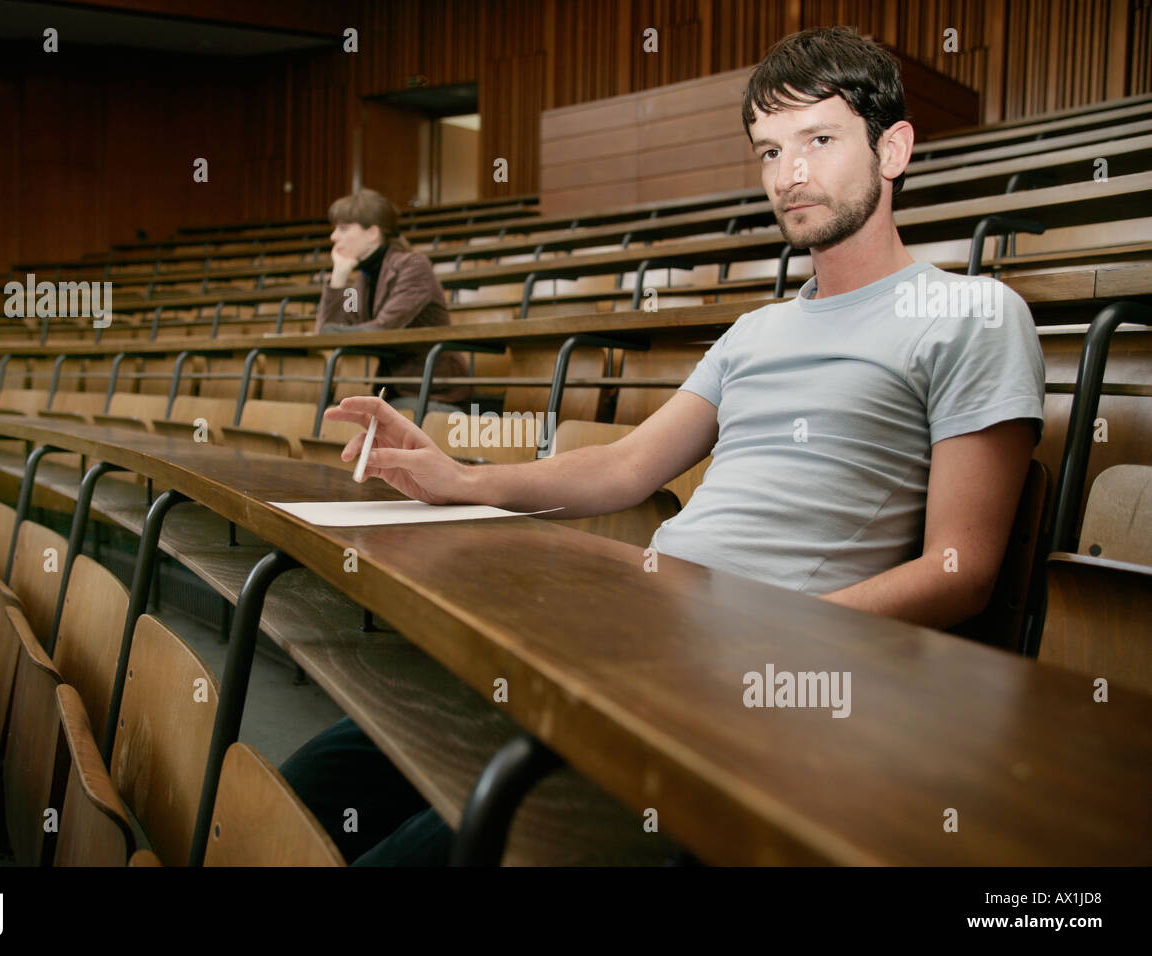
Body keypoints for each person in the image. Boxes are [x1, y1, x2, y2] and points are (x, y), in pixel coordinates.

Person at [282, 26, 1046, 865]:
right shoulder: (756, 330)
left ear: (893, 147)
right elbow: (626, 465)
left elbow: (961, 573)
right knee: (318, 777)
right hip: (641, 635)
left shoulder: (972, 315)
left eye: (819, 141)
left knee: (436, 845)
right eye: (768, 152)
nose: (789, 176)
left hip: (754, 679)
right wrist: (454, 477)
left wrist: (765, 645)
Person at [316, 188, 470, 410]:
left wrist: (332, 331)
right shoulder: (365, 277)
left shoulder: (414, 266)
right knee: (335, 415)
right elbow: (328, 331)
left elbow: (383, 329)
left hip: (433, 392)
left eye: (343, 228)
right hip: (394, 392)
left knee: (346, 418)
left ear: (372, 233)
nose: (333, 237)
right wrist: (339, 277)